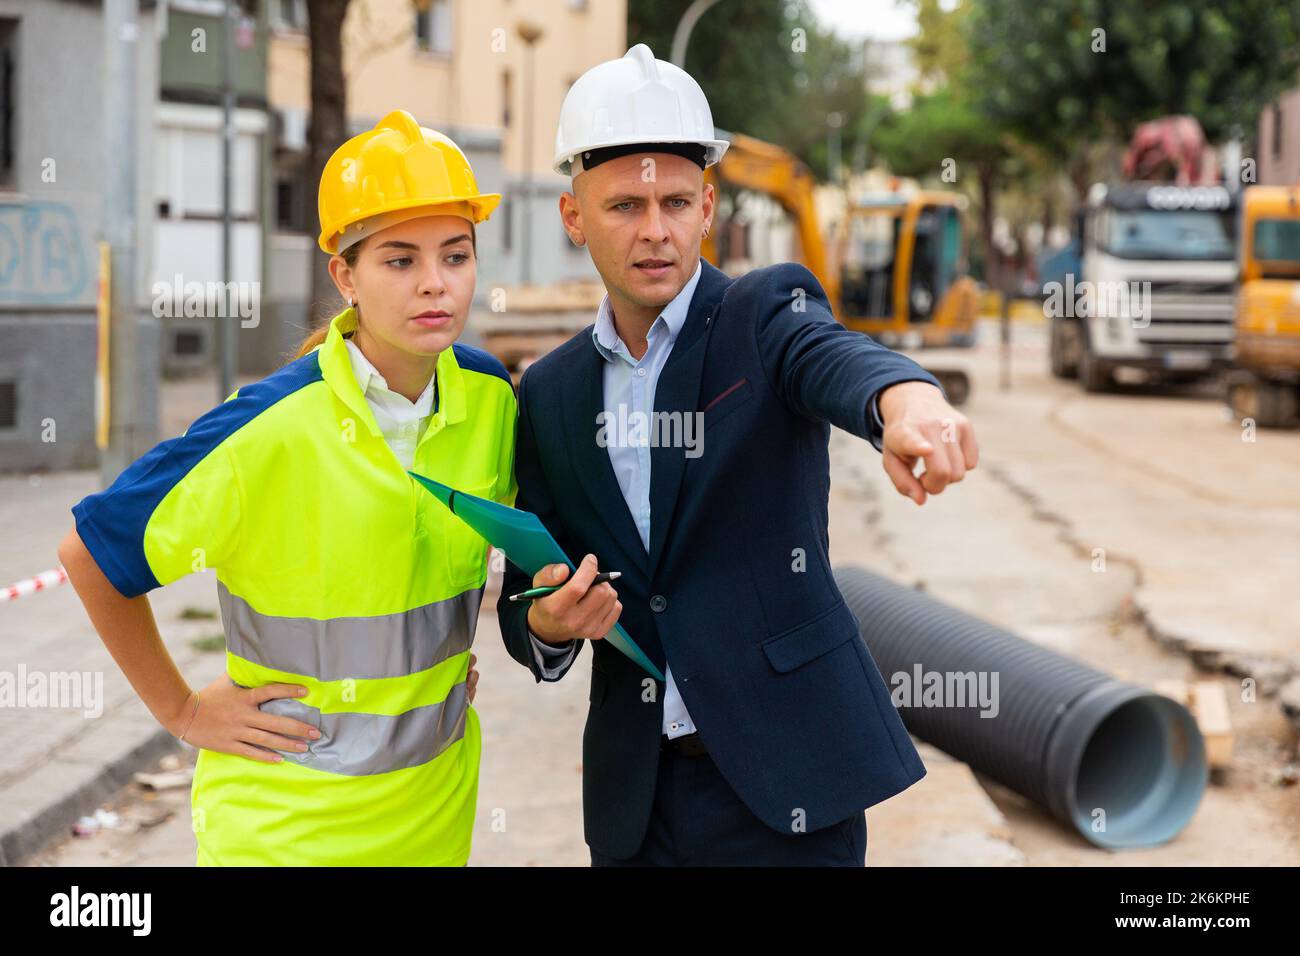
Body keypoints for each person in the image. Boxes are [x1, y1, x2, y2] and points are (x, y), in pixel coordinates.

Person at [496, 46, 980, 866]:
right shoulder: (549, 394)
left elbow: (830, 355)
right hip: (635, 802)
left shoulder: (762, 315)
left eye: (677, 201)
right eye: (624, 206)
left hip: (786, 782)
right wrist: (546, 621)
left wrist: (905, 401)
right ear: (573, 216)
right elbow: (525, 596)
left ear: (709, 205)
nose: (656, 230)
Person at [58, 109, 516, 866]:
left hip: (431, 821)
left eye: (456, 255)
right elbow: (90, 551)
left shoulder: (491, 400)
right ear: (345, 275)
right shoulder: (267, 428)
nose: (435, 283)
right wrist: (182, 710)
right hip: (283, 834)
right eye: (400, 260)